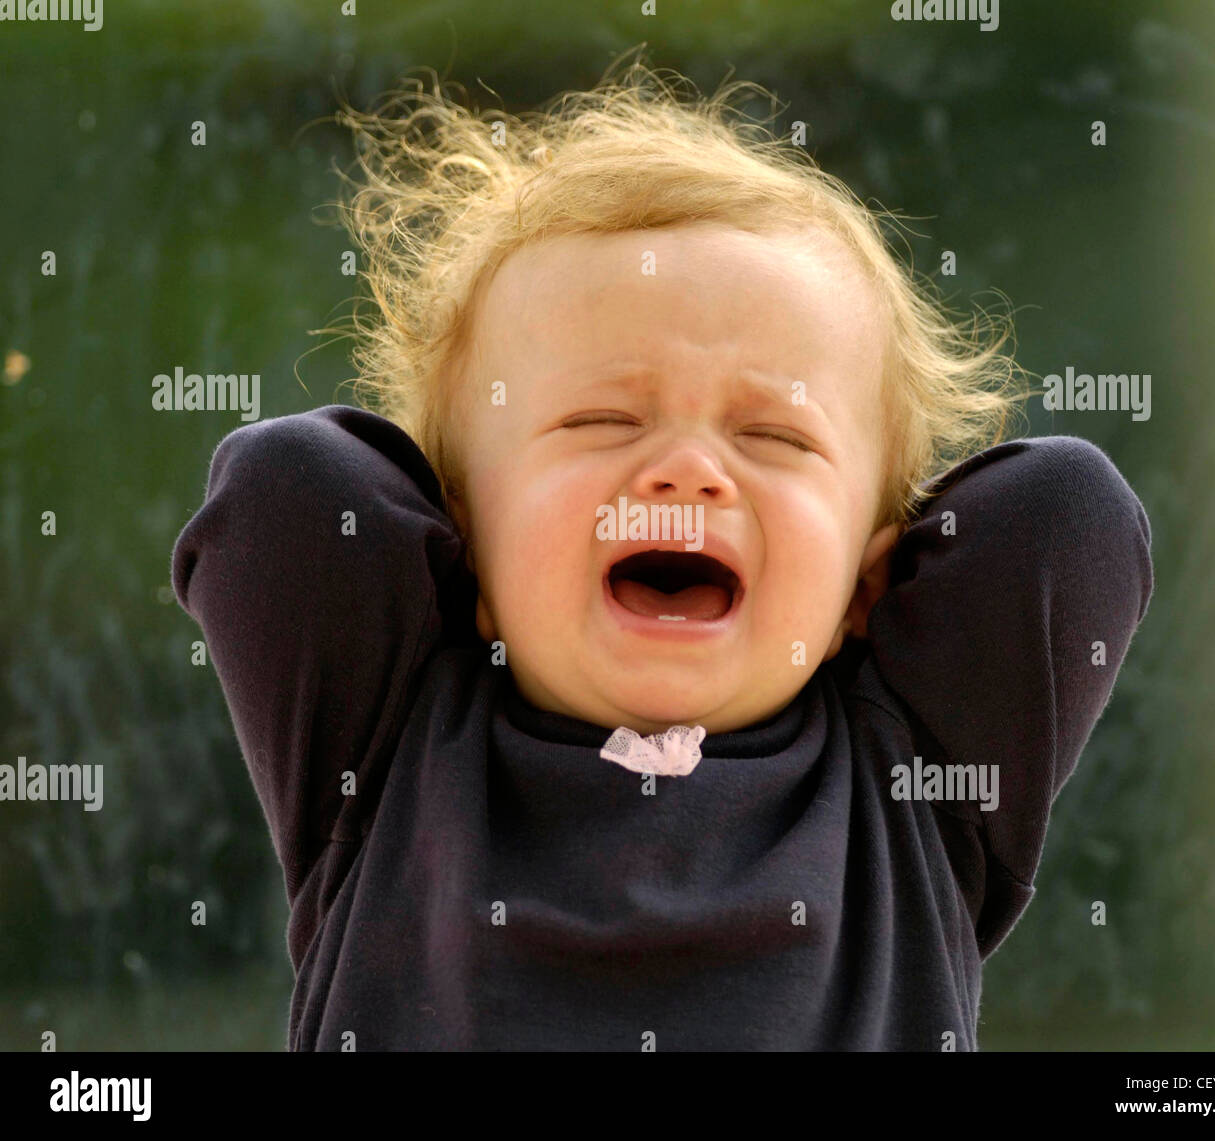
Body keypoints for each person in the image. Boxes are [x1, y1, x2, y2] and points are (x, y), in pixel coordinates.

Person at [171, 55, 1153, 1050]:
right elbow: (282, 493)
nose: (686, 470)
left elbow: (1065, 516)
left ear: (871, 582)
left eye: (772, 436)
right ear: (457, 548)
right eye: (600, 420)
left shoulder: (914, 780)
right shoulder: (385, 750)